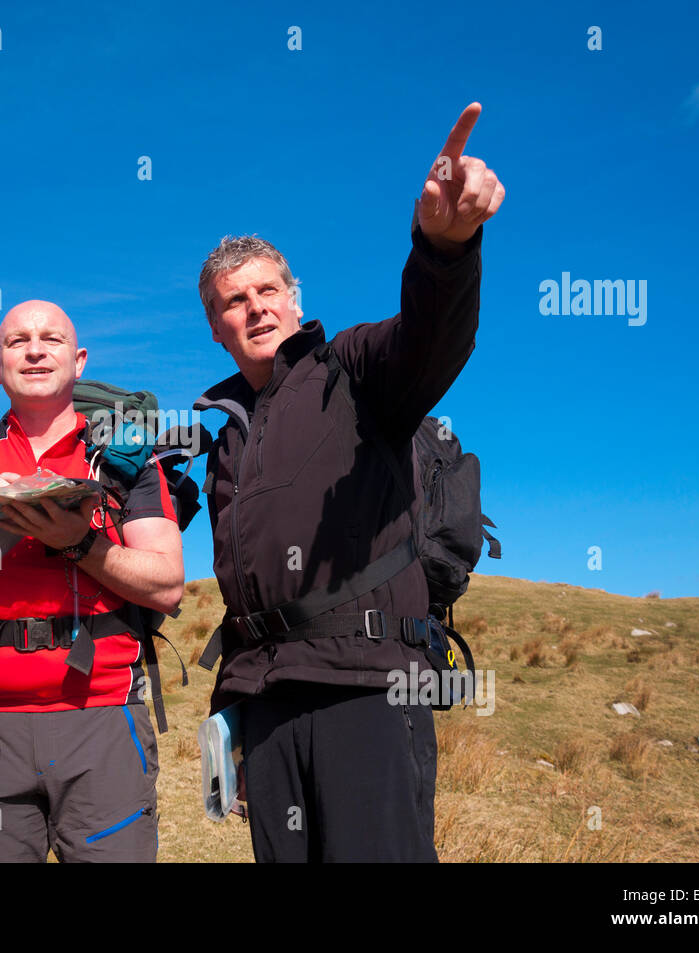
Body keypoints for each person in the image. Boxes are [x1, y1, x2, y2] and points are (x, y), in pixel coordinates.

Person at [192, 103, 506, 862]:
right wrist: (231, 709)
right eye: (233, 301)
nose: (255, 307)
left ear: (294, 298)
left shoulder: (354, 369)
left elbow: (433, 336)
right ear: (216, 326)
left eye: (267, 289)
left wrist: (444, 247)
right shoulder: (225, 434)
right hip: (266, 705)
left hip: (368, 689)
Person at [0, 300, 184, 862]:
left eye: (52, 338)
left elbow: (166, 584)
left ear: (78, 360)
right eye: (18, 340)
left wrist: (79, 542)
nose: (36, 349)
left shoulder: (122, 459)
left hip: (104, 717)